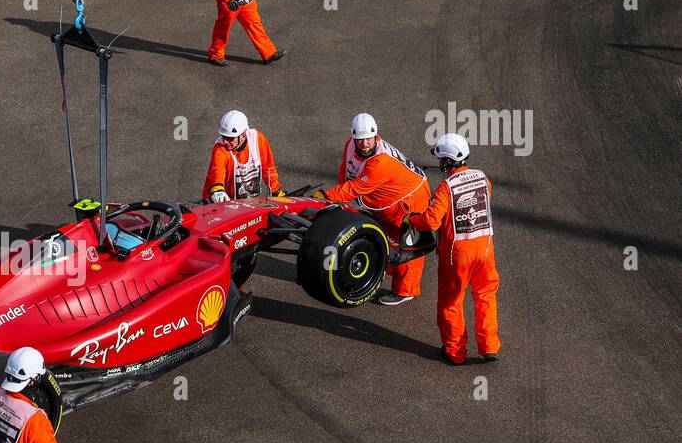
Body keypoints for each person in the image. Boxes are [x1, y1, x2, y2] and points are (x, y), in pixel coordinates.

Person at [314, 113, 431, 305]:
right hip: (388, 198)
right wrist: (338, 199)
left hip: (412, 199)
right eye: (360, 140)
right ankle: (384, 268)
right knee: (385, 235)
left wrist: (327, 197)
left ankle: (405, 291)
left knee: (406, 244)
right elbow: (346, 170)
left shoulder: (380, 162)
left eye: (369, 138)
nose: (365, 144)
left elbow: (355, 188)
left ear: (376, 135)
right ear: (353, 137)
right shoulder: (350, 144)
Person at [407, 134, 501, 365]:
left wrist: (412, 219)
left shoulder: (445, 188)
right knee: (486, 295)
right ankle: (489, 345)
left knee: (451, 302)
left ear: (447, 161)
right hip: (486, 249)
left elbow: (431, 221)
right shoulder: (483, 178)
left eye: (440, 159)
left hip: (457, 255)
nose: (439, 163)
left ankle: (455, 352)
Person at [203, 109, 285, 201]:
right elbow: (217, 172)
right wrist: (218, 190)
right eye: (223, 136)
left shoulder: (258, 140)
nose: (225, 141)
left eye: (230, 138)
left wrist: (276, 191)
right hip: (220, 200)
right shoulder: (220, 149)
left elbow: (268, 168)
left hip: (245, 202)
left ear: (243, 135)